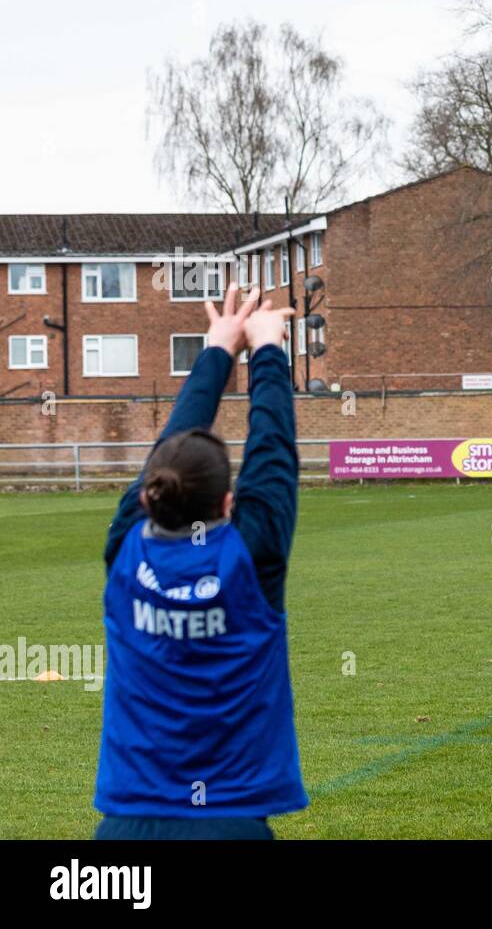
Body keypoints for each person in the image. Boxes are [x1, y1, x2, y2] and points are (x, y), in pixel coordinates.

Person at [94, 286, 308, 839]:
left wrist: (218, 349)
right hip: (231, 824)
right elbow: (273, 448)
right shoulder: (251, 556)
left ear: (147, 495)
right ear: (230, 504)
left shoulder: (125, 551)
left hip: (125, 830)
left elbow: (173, 446)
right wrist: (265, 349)